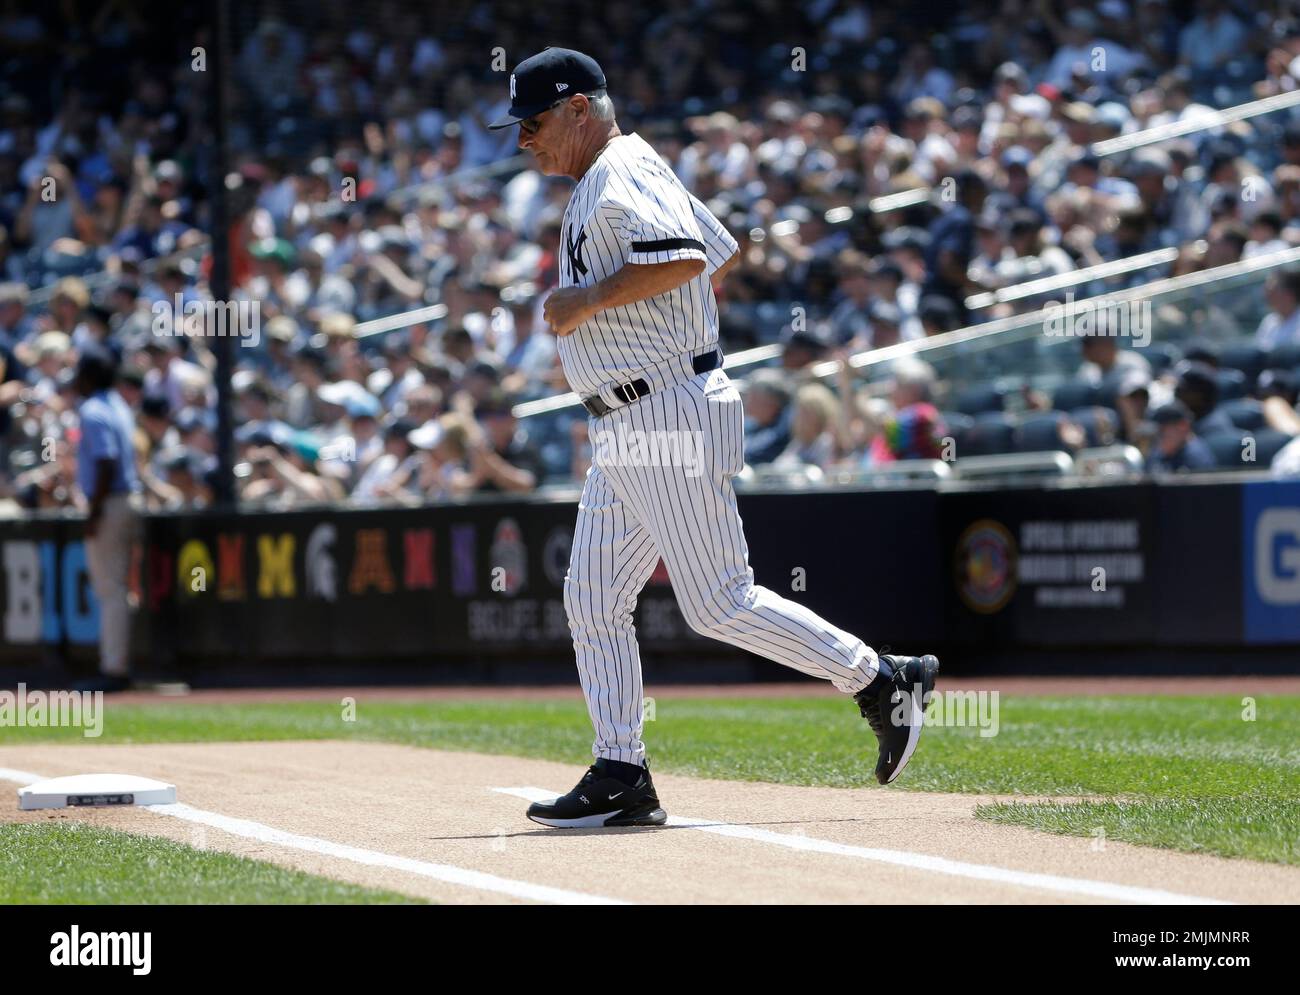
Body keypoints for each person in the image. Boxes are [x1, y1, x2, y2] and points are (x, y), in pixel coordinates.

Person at [488, 48, 938, 830]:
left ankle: (881, 678)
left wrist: (593, 301)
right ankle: (623, 770)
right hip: (633, 416)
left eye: (532, 122)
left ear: (578, 111)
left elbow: (691, 258)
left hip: (663, 413)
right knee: (592, 597)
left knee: (718, 602)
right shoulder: (627, 167)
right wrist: (650, 325)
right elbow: (722, 255)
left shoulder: (617, 170)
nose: (523, 140)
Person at [74, 345, 141, 692]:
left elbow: (105, 461)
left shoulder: (94, 409)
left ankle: (114, 669)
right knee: (124, 588)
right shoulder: (119, 405)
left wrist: (95, 511)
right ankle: (120, 664)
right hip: (129, 499)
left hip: (110, 503)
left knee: (111, 589)